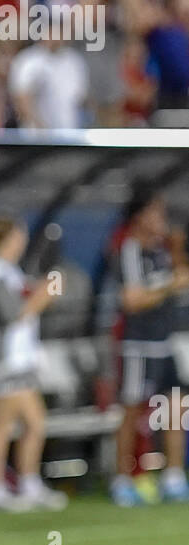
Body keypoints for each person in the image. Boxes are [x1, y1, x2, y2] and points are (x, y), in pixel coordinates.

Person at [0, 216, 67, 512]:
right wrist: (43, 296)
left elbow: (22, 297)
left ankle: (28, 483)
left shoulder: (9, 271)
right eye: (17, 238)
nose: (21, 245)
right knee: (1, 426)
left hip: (19, 363)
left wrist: (39, 289)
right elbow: (11, 314)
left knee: (34, 423)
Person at [110, 194, 189, 506]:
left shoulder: (161, 250)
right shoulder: (129, 250)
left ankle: (173, 477)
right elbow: (132, 300)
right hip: (138, 346)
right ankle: (122, 480)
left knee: (175, 407)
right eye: (156, 213)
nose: (162, 220)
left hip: (164, 342)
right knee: (131, 410)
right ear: (140, 216)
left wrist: (177, 250)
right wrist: (170, 285)